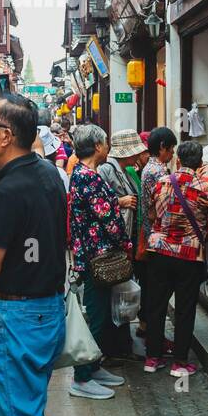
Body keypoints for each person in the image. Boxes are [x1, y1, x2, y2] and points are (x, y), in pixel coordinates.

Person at [0, 93, 68, 416]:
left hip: (18, 315)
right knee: (27, 406)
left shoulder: (7, 190)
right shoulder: (49, 174)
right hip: (50, 308)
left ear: (6, 135)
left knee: (16, 414)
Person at [66, 123, 134, 400]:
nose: (107, 147)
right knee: (95, 317)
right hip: (98, 258)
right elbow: (107, 219)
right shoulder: (88, 178)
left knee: (102, 314)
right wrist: (125, 243)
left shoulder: (84, 174)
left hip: (95, 255)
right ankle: (82, 377)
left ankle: (93, 367)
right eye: (105, 142)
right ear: (97, 146)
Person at [144, 139, 208, 376]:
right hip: (189, 255)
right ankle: (179, 362)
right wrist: (195, 237)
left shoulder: (162, 183)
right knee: (185, 309)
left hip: (159, 252)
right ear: (200, 163)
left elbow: (151, 213)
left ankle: (152, 358)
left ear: (178, 160)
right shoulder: (205, 188)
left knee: (156, 305)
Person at [138, 126, 178, 343]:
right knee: (158, 294)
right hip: (160, 237)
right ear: (162, 147)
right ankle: (156, 340)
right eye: (171, 150)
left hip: (150, 234)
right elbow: (166, 208)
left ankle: (153, 335)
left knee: (154, 292)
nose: (172, 154)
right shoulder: (159, 172)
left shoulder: (148, 168)